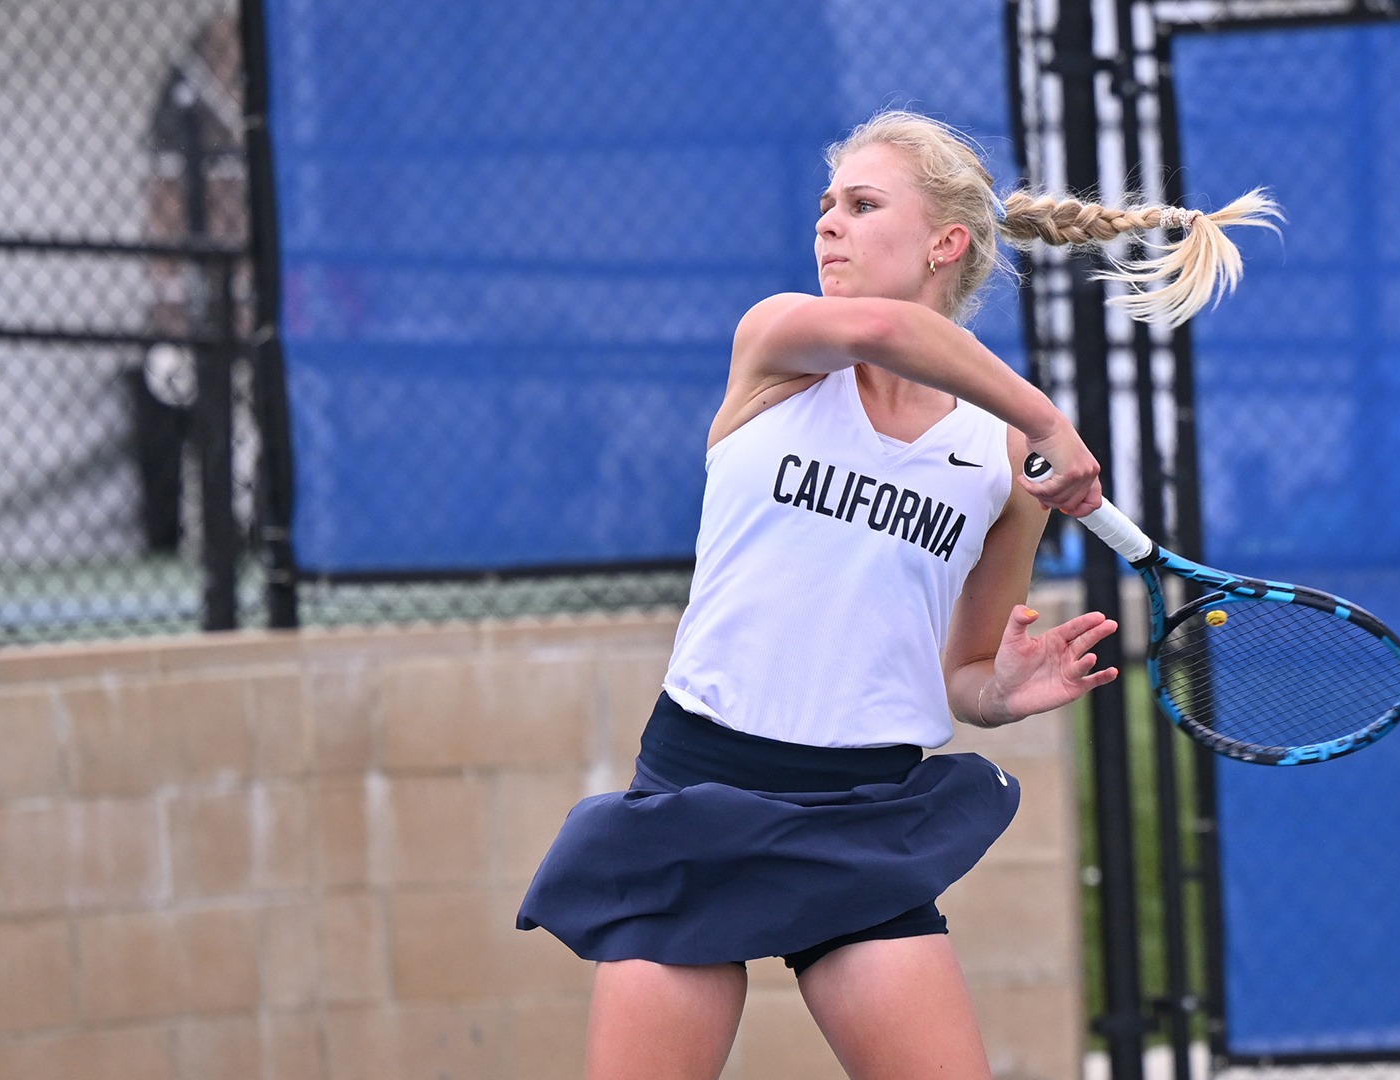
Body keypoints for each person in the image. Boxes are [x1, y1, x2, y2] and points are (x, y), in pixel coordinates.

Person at [516, 110, 1279, 1079]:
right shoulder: (778, 349)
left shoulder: (1005, 459)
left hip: (864, 814)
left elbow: (960, 672)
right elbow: (884, 330)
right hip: (695, 796)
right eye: (826, 204)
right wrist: (1052, 416)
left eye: (863, 204)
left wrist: (999, 690)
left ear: (945, 243)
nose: (828, 223)